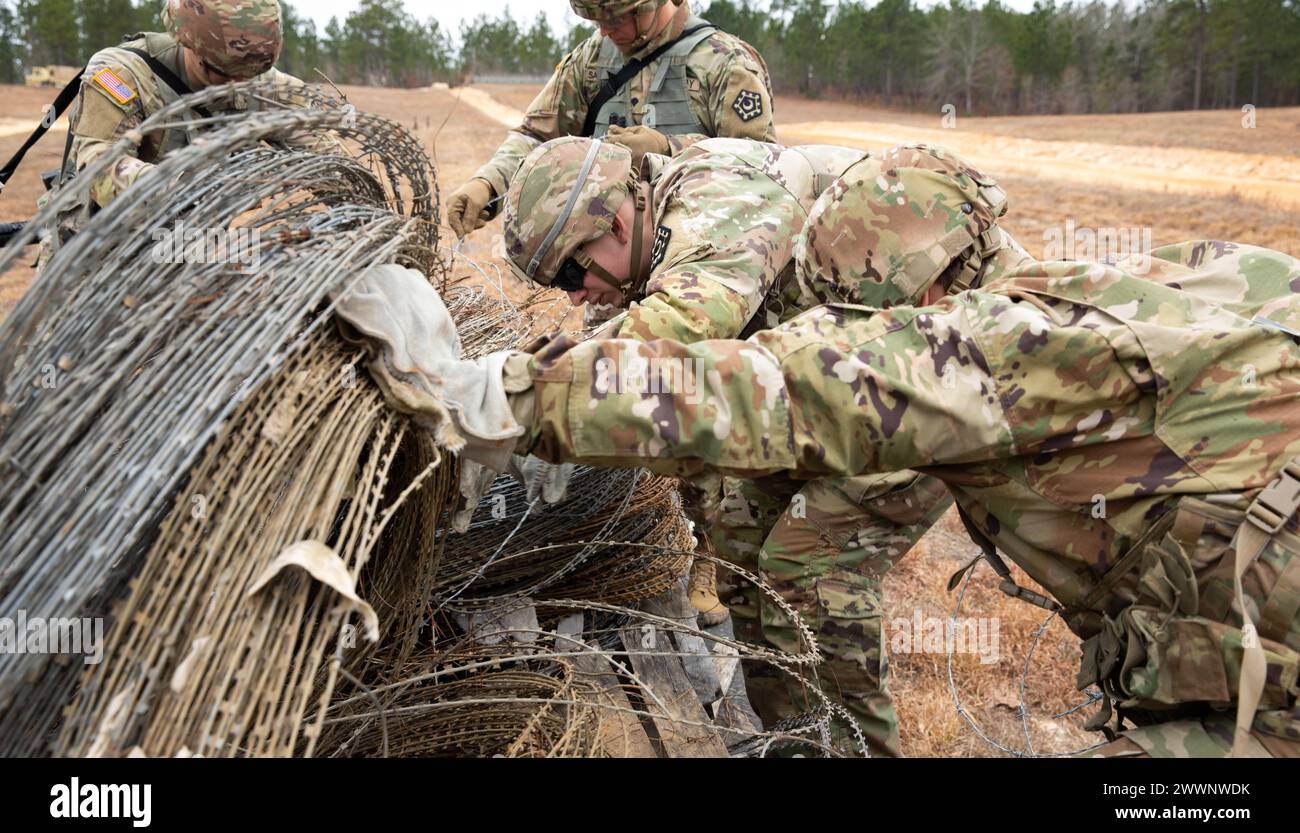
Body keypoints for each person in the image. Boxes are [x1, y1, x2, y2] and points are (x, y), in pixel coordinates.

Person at [334, 186, 1300, 756]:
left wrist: (508, 396)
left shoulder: (999, 349)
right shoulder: (1165, 282)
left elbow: (787, 393)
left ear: (923, 291)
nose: (863, 330)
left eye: (867, 312)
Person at [444, 0, 777, 246]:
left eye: (615, 18)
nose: (603, 30)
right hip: (608, 275)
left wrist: (668, 149)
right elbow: (536, 135)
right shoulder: (593, 60)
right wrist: (489, 184)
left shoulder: (724, 63)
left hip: (700, 264)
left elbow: (762, 169)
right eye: (595, 19)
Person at [40, 0, 335, 256]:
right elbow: (100, 168)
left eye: (252, 74)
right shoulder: (122, 75)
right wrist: (188, 189)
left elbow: (328, 158)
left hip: (186, 249)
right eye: (225, 75)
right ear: (190, 45)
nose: (240, 85)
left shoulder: (261, 82)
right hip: (93, 250)